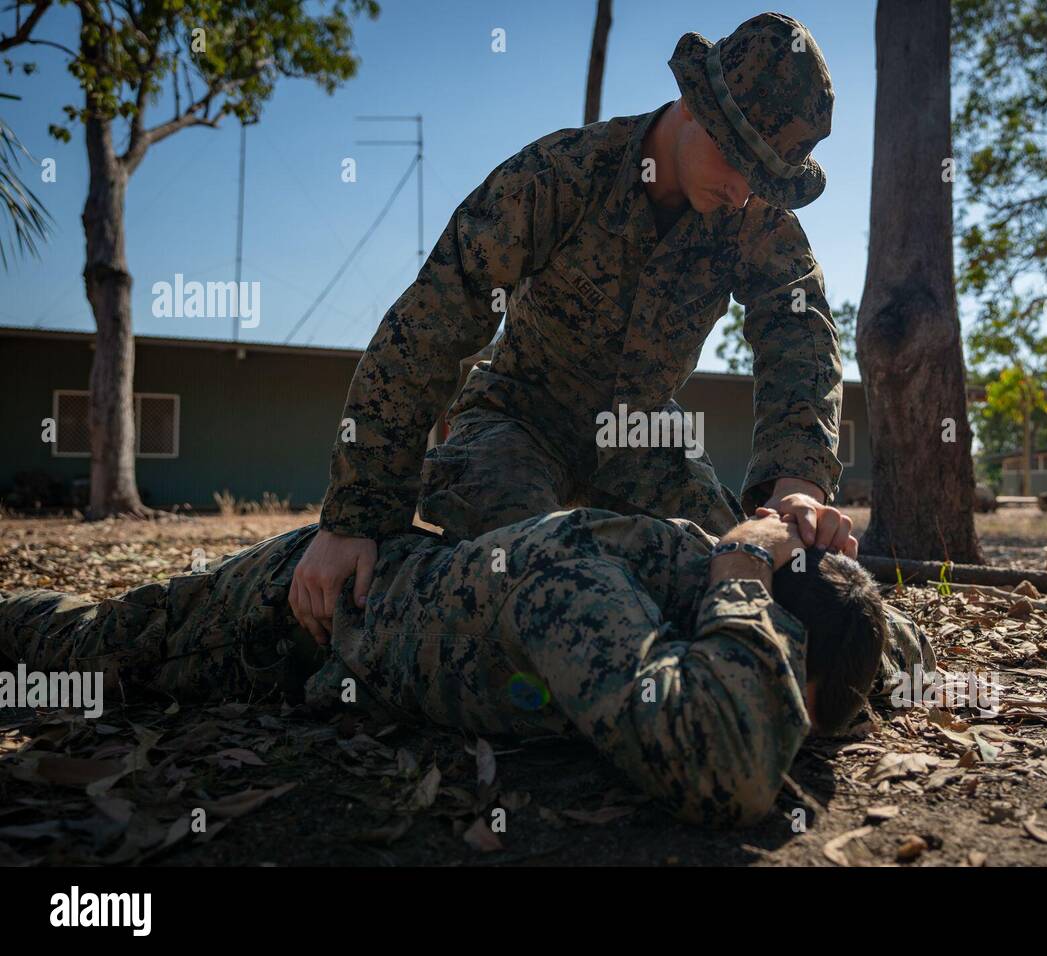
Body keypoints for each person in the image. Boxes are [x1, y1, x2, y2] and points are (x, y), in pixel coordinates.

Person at [291, 12, 852, 643]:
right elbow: (433, 321)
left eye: (765, 176)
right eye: (736, 158)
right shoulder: (562, 174)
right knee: (533, 572)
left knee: (729, 565)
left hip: (642, 433)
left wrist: (798, 483)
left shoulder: (752, 213)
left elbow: (799, 332)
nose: (744, 191)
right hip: (521, 417)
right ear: (693, 106)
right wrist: (354, 515)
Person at [0, 508, 932, 826]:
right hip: (300, 616)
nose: (768, 710)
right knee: (97, 654)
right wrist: (742, 567)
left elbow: (893, 653)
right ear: (740, 609)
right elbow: (723, 768)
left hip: (365, 661)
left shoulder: (804, 623)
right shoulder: (586, 581)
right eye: (754, 663)